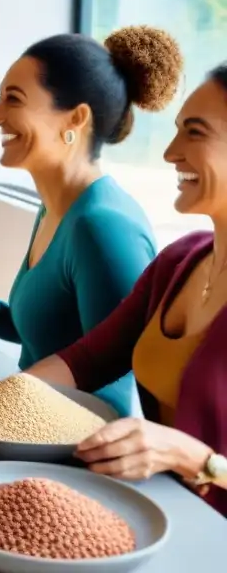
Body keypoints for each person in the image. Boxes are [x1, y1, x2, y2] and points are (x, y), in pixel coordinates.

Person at [0, 27, 184, 418]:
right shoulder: (55, 207)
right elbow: (48, 335)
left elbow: (110, 372)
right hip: (35, 415)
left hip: (76, 438)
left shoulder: (101, 228)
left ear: (76, 118)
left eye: (13, 99)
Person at [27, 64, 227, 517]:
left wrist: (195, 459)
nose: (171, 153)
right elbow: (88, 360)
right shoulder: (181, 261)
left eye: (194, 133)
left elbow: (190, 457)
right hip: (156, 514)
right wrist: (0, 402)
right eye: (175, 132)